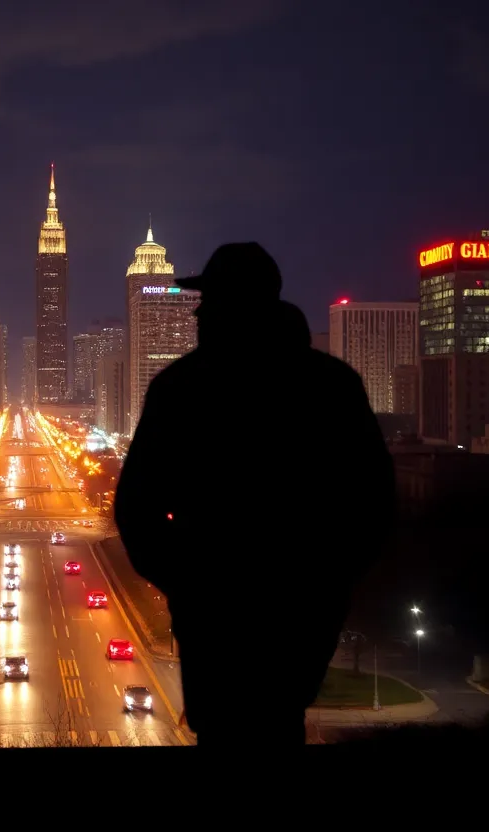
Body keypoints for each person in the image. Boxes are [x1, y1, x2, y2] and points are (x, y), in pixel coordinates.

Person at [114, 243, 395, 748]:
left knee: (227, 729)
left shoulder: (182, 389)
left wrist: (187, 582)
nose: (198, 312)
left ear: (238, 305)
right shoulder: (332, 385)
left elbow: (137, 508)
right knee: (280, 720)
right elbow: (373, 504)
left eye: (210, 300)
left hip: (222, 615)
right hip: (299, 611)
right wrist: (328, 585)